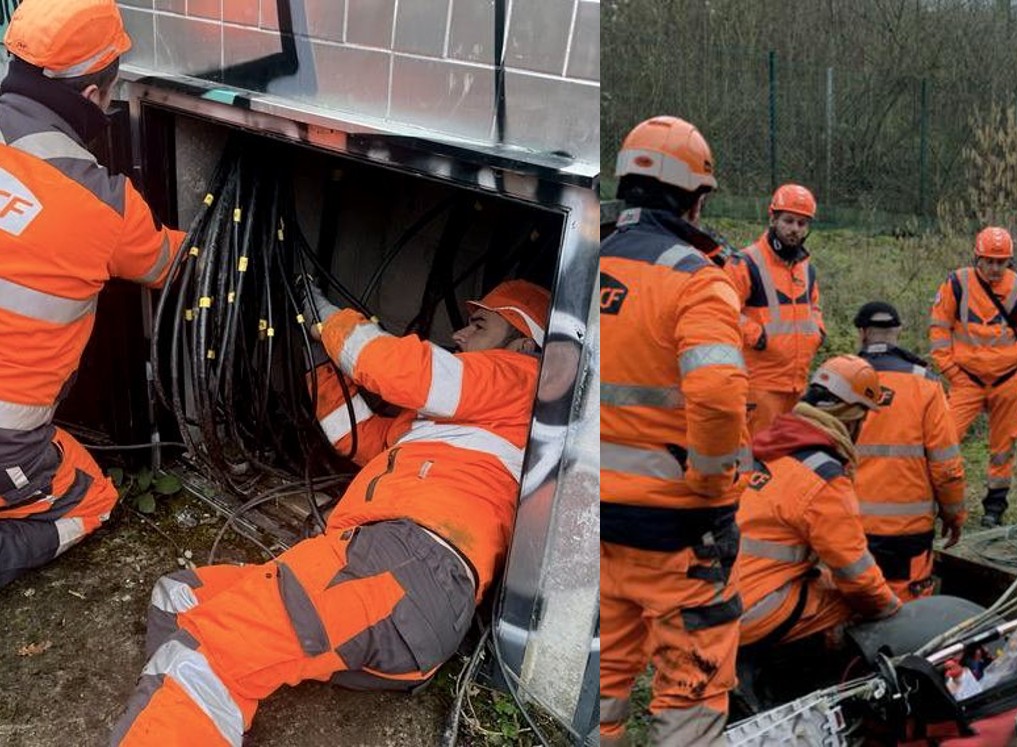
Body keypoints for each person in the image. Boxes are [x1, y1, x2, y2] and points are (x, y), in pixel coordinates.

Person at [111, 279, 550, 745]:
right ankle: (182, 711)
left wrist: (319, 313)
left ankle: (193, 692)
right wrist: (315, 356)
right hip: (390, 593)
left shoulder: (525, 378)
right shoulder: (449, 421)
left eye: (479, 325)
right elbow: (355, 437)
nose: (460, 335)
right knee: (180, 597)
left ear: (525, 344)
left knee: (211, 648)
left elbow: (405, 370)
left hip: (404, 565)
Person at [0, 0, 186, 587]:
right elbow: (169, 264)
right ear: (90, 97)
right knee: (90, 501)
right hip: (5, 446)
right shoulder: (104, 206)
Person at [600, 115, 749, 746]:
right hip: (676, 533)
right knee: (691, 681)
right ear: (698, 196)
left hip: (591, 520)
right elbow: (716, 396)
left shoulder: (582, 259)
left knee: (602, 674)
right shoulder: (697, 280)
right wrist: (712, 489)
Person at [734, 356, 900, 708]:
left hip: (711, 598)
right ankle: (813, 690)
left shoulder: (769, 444)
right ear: (853, 416)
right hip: (752, 613)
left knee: (822, 579)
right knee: (848, 600)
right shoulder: (823, 476)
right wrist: (891, 610)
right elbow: (857, 576)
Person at [929, 226, 1017, 528]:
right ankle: (934, 500)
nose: (995, 268)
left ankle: (994, 508)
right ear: (977, 258)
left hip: (1008, 379)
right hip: (965, 380)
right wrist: (951, 370)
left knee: (1003, 447)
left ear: (1010, 261)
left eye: (1002, 262)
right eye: (989, 261)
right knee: (943, 440)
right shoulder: (957, 284)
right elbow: (939, 327)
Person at [853, 302, 966, 602]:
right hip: (906, 532)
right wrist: (954, 514)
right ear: (898, 332)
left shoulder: (834, 380)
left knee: (847, 605)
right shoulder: (925, 384)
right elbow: (946, 467)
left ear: (862, 333)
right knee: (906, 618)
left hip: (843, 526)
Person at [724, 183, 826, 434]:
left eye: (802, 224)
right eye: (788, 221)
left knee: (787, 461)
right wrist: (755, 335)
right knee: (756, 459)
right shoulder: (746, 263)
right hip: (759, 384)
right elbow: (721, 309)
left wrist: (817, 332)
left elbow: (813, 306)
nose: (795, 229)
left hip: (797, 384)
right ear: (773, 219)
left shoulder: (805, 267)